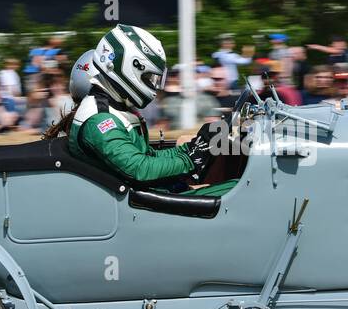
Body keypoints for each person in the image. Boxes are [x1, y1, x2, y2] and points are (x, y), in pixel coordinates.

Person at [68, 24, 233, 196]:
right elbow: (140, 168)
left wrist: (194, 146)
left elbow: (149, 156)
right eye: (148, 77)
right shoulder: (100, 120)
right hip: (136, 207)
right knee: (239, 191)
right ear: (125, 68)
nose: (153, 86)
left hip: (144, 199)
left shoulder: (116, 109)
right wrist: (190, 159)